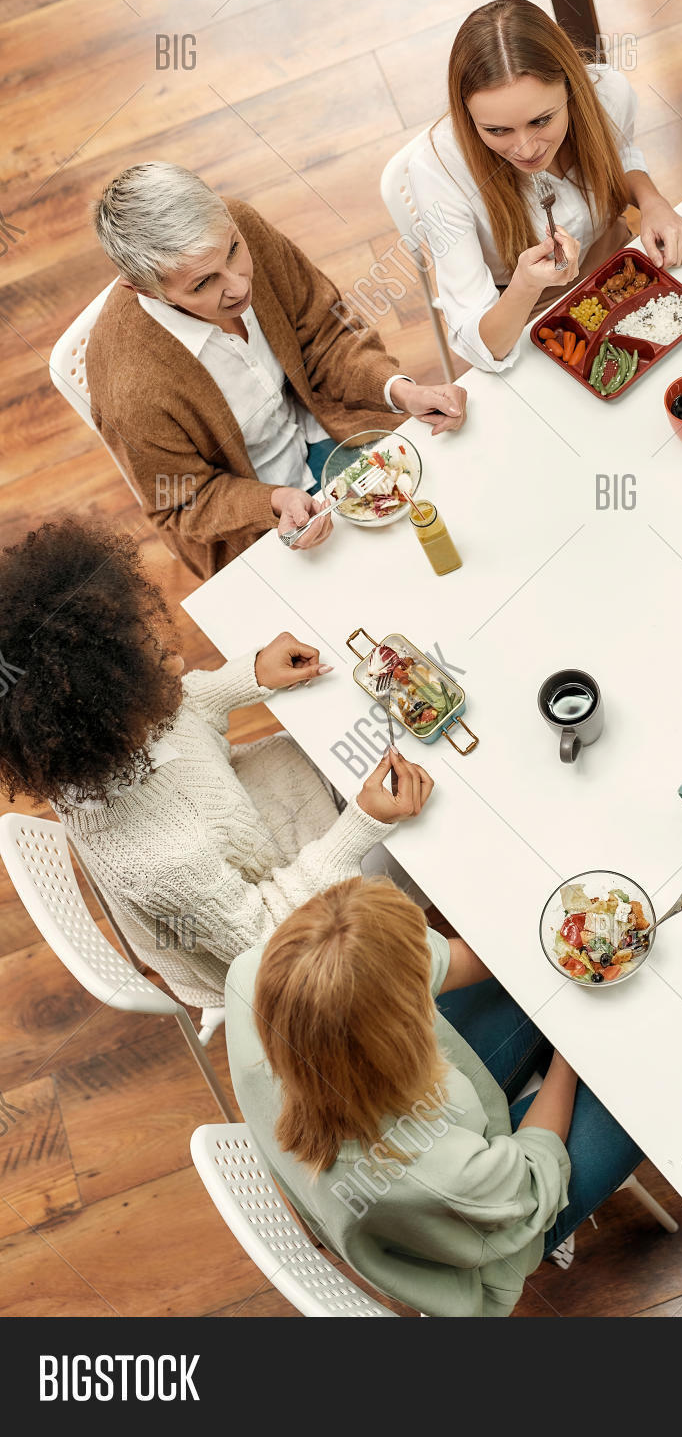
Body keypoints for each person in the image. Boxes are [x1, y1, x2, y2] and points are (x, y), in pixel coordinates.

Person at [0, 520, 433, 1009]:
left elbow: (177, 711)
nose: (171, 658)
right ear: (111, 700)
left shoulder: (81, 738)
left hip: (247, 829)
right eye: (141, 654)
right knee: (433, 844)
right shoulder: (162, 860)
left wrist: (247, 676)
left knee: (353, 748)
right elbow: (273, 940)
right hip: (281, 947)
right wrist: (359, 827)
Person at [225, 876, 648, 1318]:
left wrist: (560, 948)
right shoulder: (433, 1175)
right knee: (636, 1089)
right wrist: (571, 1050)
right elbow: (533, 1171)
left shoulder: (253, 973)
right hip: (484, 1234)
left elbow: (440, 962)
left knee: (536, 981)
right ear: (396, 1031)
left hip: (417, 1155)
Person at [87, 163, 468, 578]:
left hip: (325, 421)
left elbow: (324, 333)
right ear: (144, 290)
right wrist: (273, 501)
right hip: (253, 511)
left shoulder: (238, 223)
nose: (238, 286)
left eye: (234, 250)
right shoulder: (128, 388)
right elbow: (184, 500)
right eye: (203, 284)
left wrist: (396, 390)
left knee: (456, 509)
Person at [408, 0, 682, 371]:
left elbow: (620, 156)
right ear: (466, 115)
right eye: (496, 130)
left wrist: (651, 200)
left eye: (542, 120)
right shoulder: (439, 170)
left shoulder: (608, 91)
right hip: (525, 316)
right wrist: (527, 285)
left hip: (616, 265)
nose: (526, 149)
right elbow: (484, 344)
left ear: (572, 86)